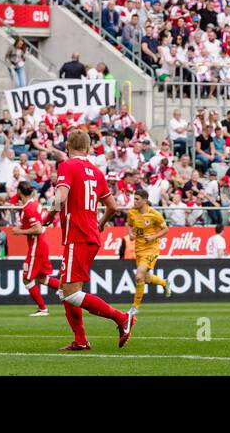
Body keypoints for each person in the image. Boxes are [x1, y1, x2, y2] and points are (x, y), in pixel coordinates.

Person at [44, 127, 133, 350]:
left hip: (77, 235)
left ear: (67, 146)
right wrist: (101, 224)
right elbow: (113, 206)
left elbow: (60, 197)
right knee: (65, 291)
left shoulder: (67, 166)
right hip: (89, 235)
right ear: (88, 147)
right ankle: (81, 340)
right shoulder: (96, 171)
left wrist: (48, 215)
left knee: (70, 294)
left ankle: (122, 318)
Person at [11, 182, 59, 316]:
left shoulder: (28, 208)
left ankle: (43, 309)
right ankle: (69, 291)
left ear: (20, 191)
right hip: (42, 244)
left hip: (36, 246)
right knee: (42, 278)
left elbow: (37, 229)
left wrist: (19, 231)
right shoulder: (35, 203)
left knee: (26, 278)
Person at [126, 187, 170, 319]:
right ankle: (164, 283)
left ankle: (135, 307)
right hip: (139, 249)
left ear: (145, 201)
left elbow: (165, 229)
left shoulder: (154, 214)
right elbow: (129, 225)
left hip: (151, 249)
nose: (135, 201)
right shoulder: (132, 213)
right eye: (134, 198)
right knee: (146, 278)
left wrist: (153, 237)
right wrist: (130, 233)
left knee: (139, 276)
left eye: (137, 199)